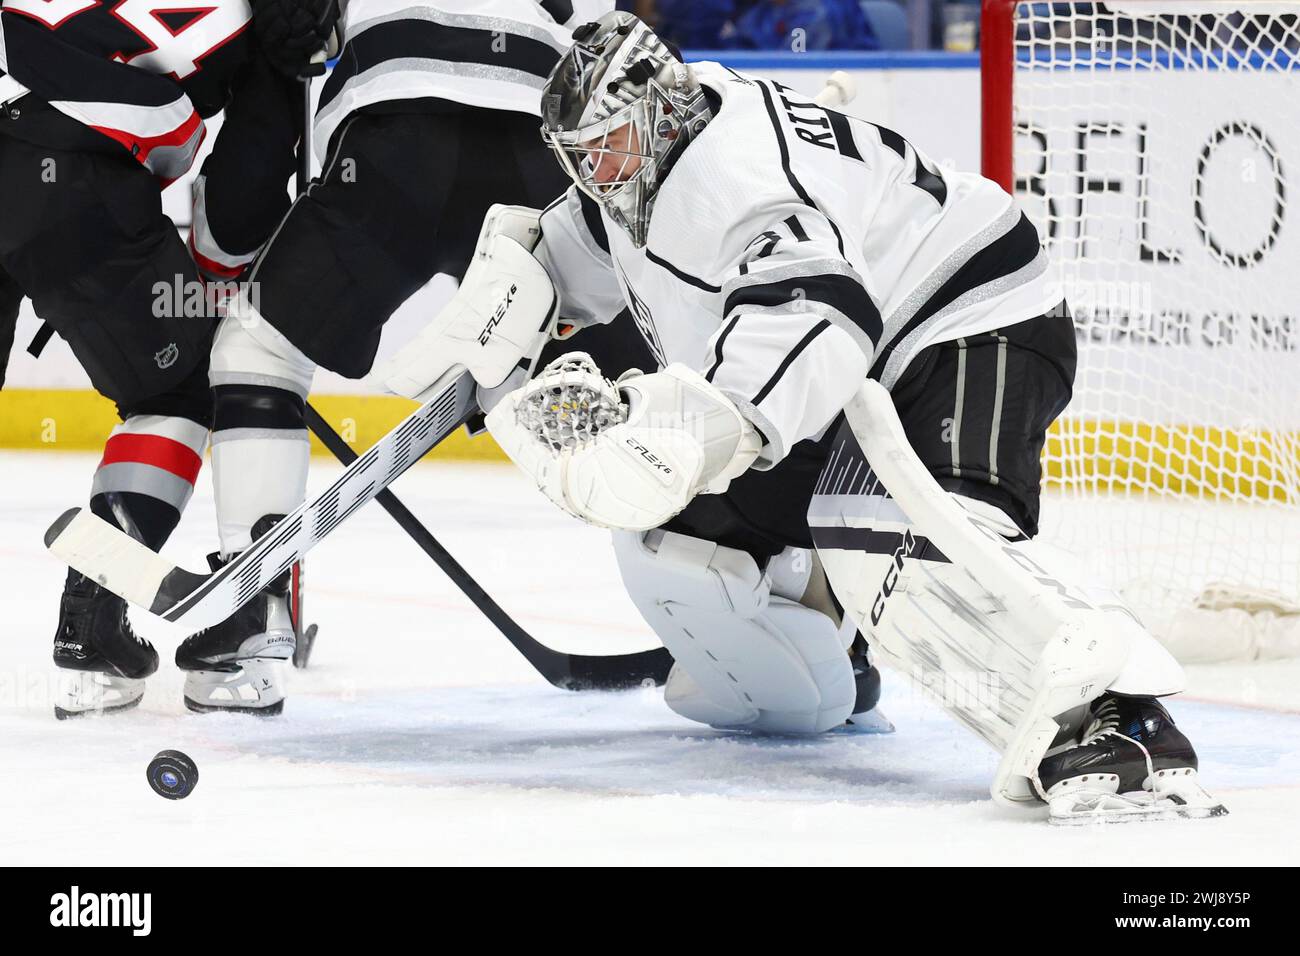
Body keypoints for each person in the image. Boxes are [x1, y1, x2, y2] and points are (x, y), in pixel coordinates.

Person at [473, 12, 1219, 818]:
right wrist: (509, 301)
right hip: (872, 349)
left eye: (602, 146)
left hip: (971, 318)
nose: (590, 171)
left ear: (654, 113)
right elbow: (587, 241)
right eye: (577, 156)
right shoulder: (656, 153)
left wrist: (718, 421)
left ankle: (1118, 712)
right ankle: (834, 662)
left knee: (912, 542)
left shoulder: (735, 180)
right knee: (681, 532)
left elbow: (824, 310)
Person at [176, 0, 614, 715]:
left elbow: (289, 43)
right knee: (633, 388)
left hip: (392, 142)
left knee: (260, 351)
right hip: (542, 152)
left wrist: (224, 250)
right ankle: (751, 584)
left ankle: (256, 602)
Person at [0, 0, 334, 717]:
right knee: (182, 389)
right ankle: (95, 617)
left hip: (27, 131)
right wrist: (213, 288)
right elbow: (246, 187)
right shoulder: (282, 18)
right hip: (63, 169)